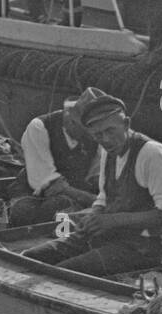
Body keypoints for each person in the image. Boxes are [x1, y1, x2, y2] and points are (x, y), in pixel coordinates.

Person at [21, 95, 162, 276]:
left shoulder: (152, 154)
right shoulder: (109, 151)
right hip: (105, 236)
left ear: (127, 124)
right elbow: (104, 197)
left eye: (111, 130)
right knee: (29, 257)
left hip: (138, 248)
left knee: (61, 273)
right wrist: (95, 215)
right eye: (98, 135)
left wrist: (112, 220)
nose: (105, 139)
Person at [8, 93, 100, 225]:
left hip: (71, 197)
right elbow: (47, 181)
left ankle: (61, 242)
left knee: (62, 214)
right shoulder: (39, 126)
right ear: (71, 119)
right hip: (31, 191)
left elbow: (96, 177)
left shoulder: (97, 139)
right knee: (23, 211)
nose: (92, 136)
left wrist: (97, 197)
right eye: (86, 130)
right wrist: (92, 199)